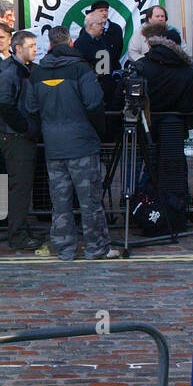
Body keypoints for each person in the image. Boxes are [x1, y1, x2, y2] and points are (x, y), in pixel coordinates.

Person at [23, 26, 120, 260]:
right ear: (71, 42)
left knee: (60, 202)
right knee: (90, 201)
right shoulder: (80, 68)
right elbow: (95, 103)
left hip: (54, 146)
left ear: (50, 45)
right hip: (82, 143)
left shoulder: (37, 73)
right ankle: (96, 247)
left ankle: (65, 249)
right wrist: (99, 131)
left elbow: (31, 109)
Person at [130, 23, 193, 235]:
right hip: (174, 130)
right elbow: (189, 105)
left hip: (147, 126)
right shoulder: (186, 70)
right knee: (175, 173)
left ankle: (143, 209)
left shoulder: (143, 66)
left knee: (147, 171)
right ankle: (173, 212)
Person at [0, 29, 45, 254]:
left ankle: (21, 228)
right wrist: (26, 129)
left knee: (23, 187)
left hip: (21, 135)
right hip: (16, 136)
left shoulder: (22, 70)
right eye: (31, 46)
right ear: (18, 49)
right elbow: (5, 106)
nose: (35, 49)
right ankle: (17, 235)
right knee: (20, 187)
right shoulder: (11, 72)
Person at [72, 0, 124, 75]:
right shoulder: (84, 34)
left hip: (111, 71)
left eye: (106, 10)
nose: (104, 13)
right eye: (101, 11)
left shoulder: (116, 29)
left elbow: (118, 49)